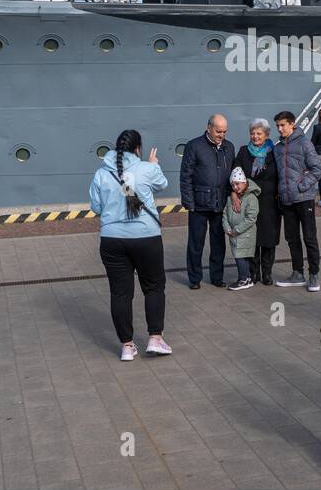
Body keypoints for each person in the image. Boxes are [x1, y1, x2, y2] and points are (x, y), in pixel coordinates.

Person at [87, 129, 172, 361]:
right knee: (153, 287)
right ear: (138, 148)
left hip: (112, 240)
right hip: (146, 237)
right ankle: (155, 339)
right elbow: (162, 184)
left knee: (120, 293)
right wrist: (153, 164)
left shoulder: (101, 173)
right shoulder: (146, 168)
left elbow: (95, 207)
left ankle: (127, 346)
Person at [179, 114, 235, 289]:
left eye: (224, 131)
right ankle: (195, 279)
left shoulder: (229, 147)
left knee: (218, 244)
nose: (222, 135)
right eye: (218, 131)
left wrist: (232, 195)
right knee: (196, 244)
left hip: (220, 204)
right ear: (209, 128)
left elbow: (233, 173)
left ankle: (217, 277)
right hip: (199, 204)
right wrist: (189, 203)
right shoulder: (194, 146)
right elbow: (185, 176)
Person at [272, 111, 321, 292]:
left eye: (283, 125)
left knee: (309, 238)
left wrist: (302, 186)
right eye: (277, 125)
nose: (280, 128)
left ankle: (314, 275)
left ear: (292, 124)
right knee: (292, 238)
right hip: (286, 201)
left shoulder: (304, 144)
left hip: (304, 199)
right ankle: (297, 273)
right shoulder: (277, 148)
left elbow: (317, 169)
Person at [232, 119, 280, 285]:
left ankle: (267, 273)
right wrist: (233, 193)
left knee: (268, 239)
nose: (255, 136)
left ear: (266, 135)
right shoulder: (244, 152)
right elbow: (236, 173)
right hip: (249, 202)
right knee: (251, 238)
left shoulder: (274, 152)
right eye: (252, 133)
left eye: (259, 133)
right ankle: (254, 273)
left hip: (269, 203)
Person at [224, 167, 260, 291]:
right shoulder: (230, 198)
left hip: (245, 234)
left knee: (241, 256)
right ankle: (248, 278)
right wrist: (227, 228)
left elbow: (251, 218)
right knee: (239, 256)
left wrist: (236, 230)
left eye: (237, 184)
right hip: (234, 234)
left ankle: (243, 279)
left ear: (244, 182)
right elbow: (225, 214)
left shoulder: (251, 198)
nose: (235, 187)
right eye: (233, 185)